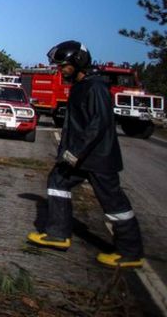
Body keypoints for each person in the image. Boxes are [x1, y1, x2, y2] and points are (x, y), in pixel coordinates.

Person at [27, 40, 145, 269]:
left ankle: (130, 252)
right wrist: (66, 152)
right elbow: (73, 125)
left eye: (64, 66)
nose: (60, 70)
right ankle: (57, 234)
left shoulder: (96, 87)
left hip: (98, 158)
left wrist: (75, 153)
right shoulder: (81, 86)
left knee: (114, 203)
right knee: (57, 181)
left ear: (78, 62)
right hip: (81, 157)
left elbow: (98, 124)